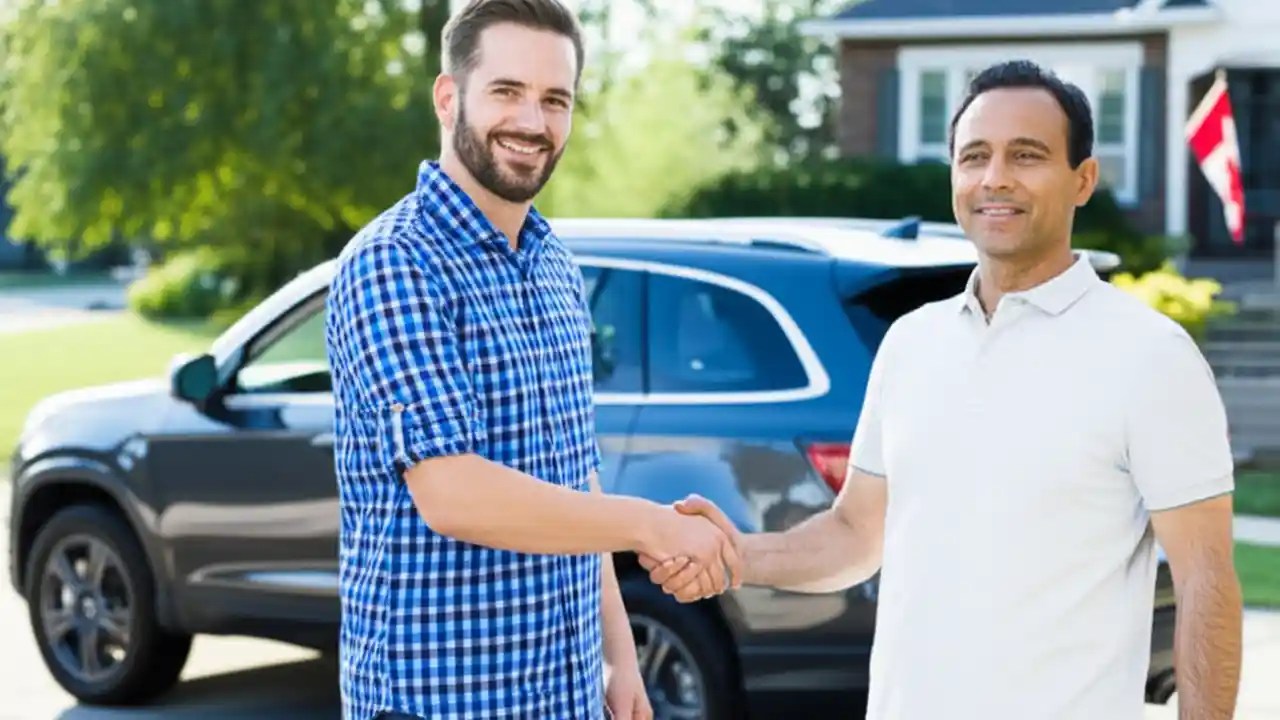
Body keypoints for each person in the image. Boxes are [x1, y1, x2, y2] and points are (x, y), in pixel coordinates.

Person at [644, 59, 1243, 719]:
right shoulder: (911, 343)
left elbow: (1206, 581)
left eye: (1027, 155)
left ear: (1083, 180)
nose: (995, 178)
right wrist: (732, 555)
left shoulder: (1150, 356)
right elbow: (853, 534)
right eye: (974, 156)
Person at [323, 2, 741, 719]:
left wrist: (617, 656)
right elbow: (451, 493)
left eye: (555, 100)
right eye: (507, 91)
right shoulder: (394, 264)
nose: (533, 121)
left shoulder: (552, 265)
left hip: (564, 695)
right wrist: (651, 525)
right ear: (449, 97)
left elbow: (576, 474)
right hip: (437, 702)